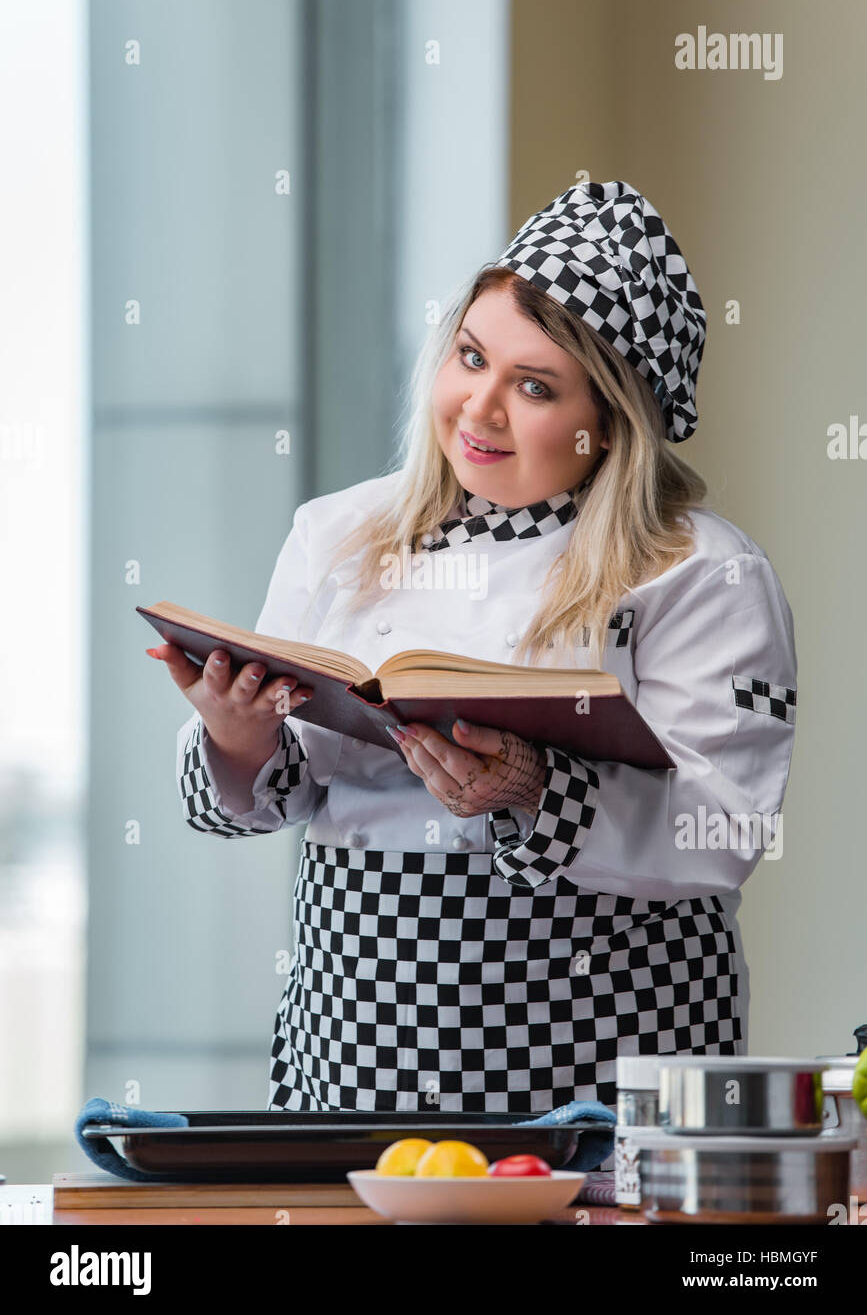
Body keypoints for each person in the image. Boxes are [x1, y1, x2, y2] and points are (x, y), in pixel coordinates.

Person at [148, 179, 796, 1116]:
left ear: (609, 421)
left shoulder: (704, 572)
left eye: (533, 388)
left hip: (608, 1050)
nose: (476, 410)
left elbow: (724, 833)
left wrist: (532, 788)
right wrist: (238, 737)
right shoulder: (338, 532)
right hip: (358, 1042)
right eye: (470, 358)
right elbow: (267, 791)